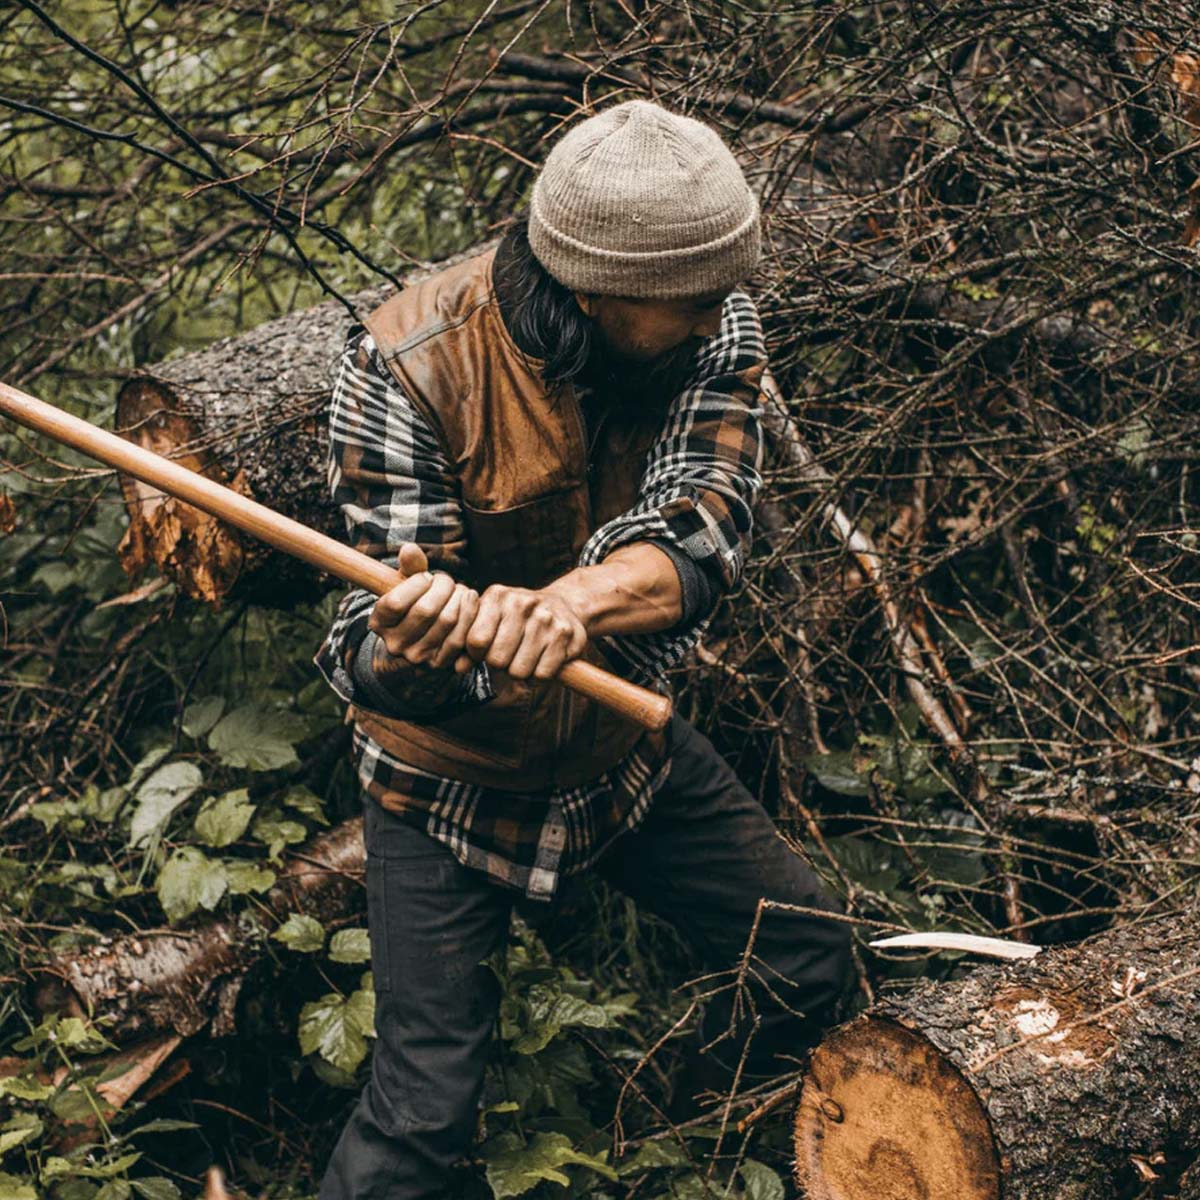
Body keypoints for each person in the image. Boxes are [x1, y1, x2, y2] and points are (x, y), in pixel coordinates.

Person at [314, 98, 852, 1200]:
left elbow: (700, 534)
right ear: (597, 288)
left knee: (808, 961)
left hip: (623, 752)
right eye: (693, 301)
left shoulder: (716, 326)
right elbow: (372, 663)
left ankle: (677, 1136)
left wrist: (571, 604)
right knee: (424, 1118)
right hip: (446, 780)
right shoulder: (407, 365)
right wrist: (419, 649)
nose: (721, 319)